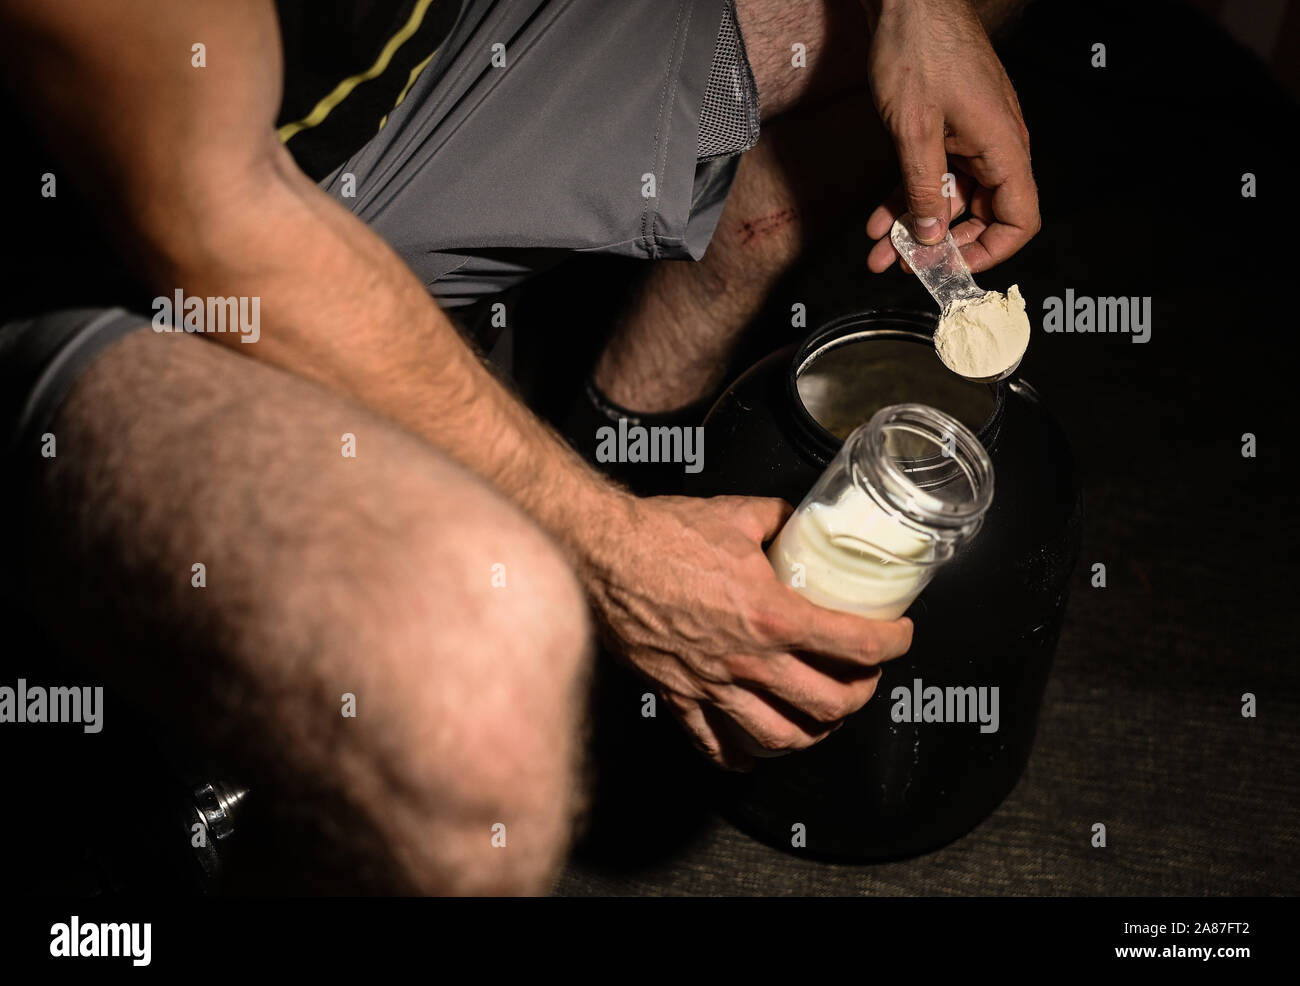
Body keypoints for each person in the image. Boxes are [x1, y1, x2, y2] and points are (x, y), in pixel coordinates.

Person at [0, 0, 1037, 894]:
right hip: (122, 227)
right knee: (476, 687)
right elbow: (213, 220)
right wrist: (606, 550)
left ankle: (626, 432)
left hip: (398, 73)